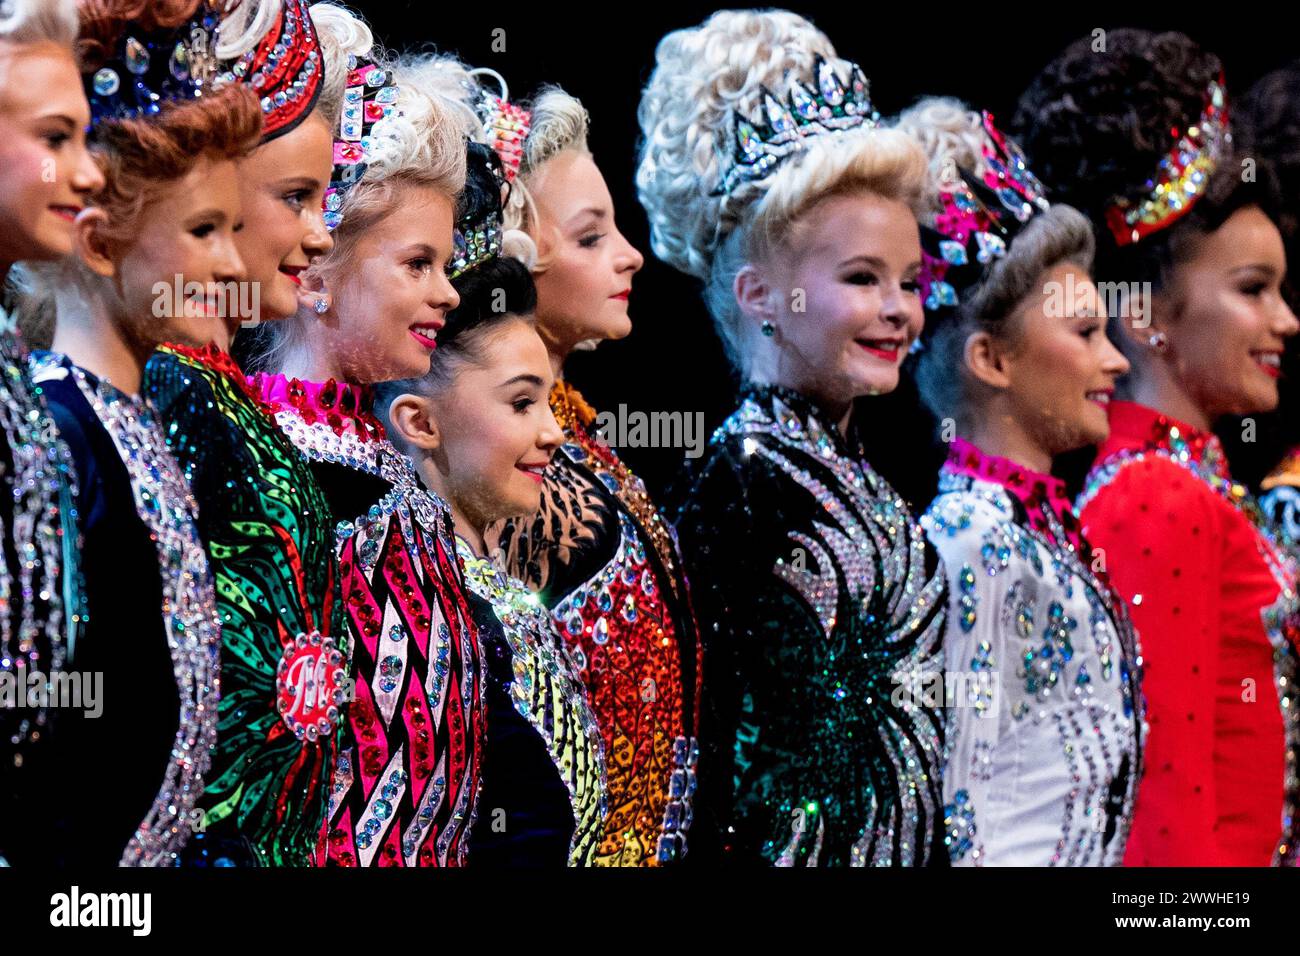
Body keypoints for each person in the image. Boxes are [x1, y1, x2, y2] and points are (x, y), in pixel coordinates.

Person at [637, 9, 947, 866]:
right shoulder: (734, 490)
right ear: (759, 296)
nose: (898, 309)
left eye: (912, 282)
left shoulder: (871, 481)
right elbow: (698, 768)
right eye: (862, 279)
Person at [1016, 29, 1300, 866]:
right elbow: (1162, 824)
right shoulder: (1153, 499)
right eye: (1253, 291)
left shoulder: (1195, 487)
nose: (1286, 321)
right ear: (1142, 316)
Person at [251, 36, 487, 866]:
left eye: (448, 264)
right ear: (314, 276)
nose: (448, 292)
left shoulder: (391, 466)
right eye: (418, 263)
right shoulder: (272, 475)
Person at [899, 97, 1143, 865]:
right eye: (1085, 333)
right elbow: (964, 809)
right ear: (991, 360)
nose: (1117, 361)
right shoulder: (972, 542)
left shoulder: (1029, 531)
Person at [139, 0, 347, 866]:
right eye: (295, 197)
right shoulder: (172, 388)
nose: (318, 231)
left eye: (324, 198)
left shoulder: (223, 395)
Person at [375, 231, 607, 865]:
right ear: (421, 422)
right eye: (523, 402)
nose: (555, 432)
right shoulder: (409, 614)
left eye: (550, 402)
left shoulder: (486, 580)